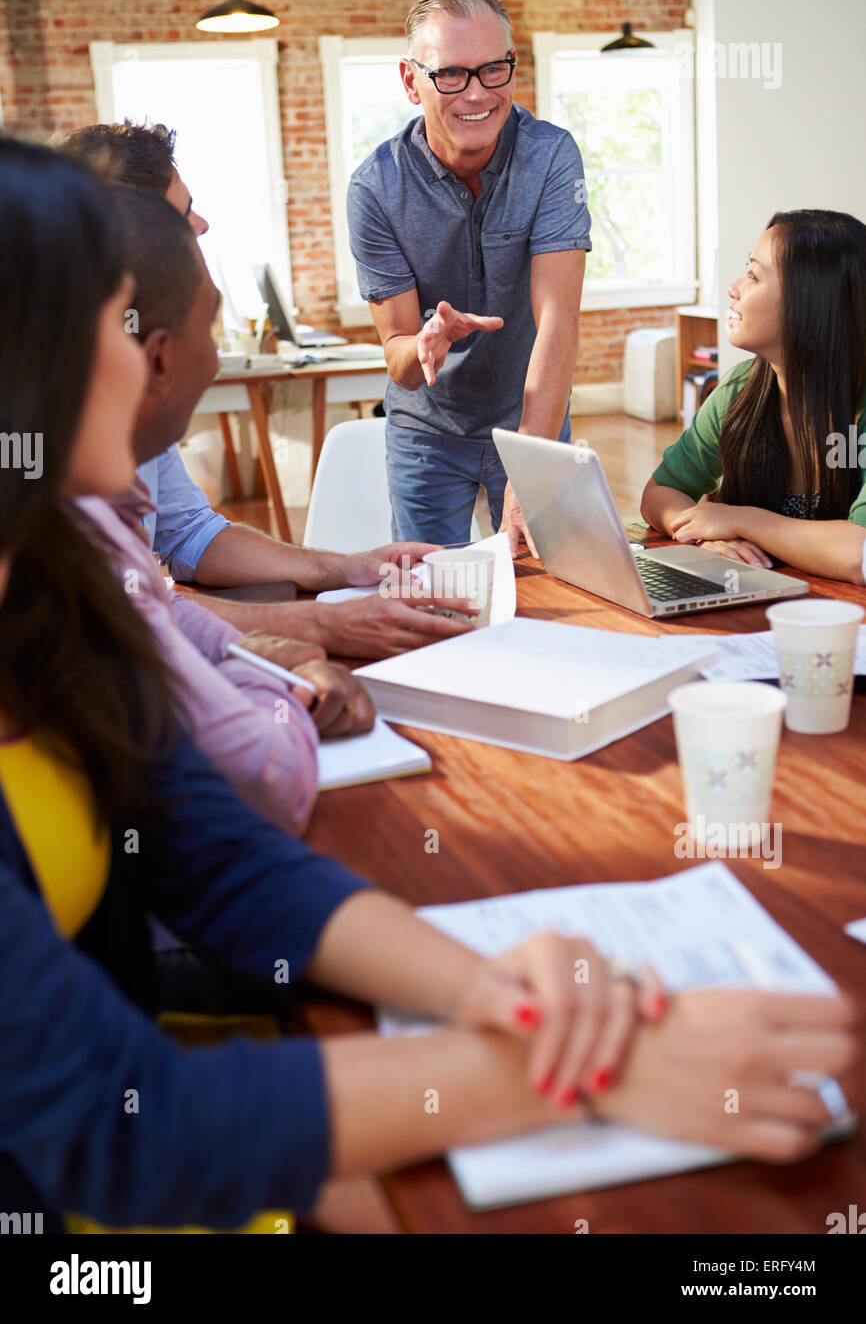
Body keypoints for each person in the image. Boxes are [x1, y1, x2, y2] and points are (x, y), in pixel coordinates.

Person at [1, 137, 855, 1234]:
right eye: (121, 324)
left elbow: (210, 851)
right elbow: (118, 1128)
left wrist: (486, 991)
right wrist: (590, 1066)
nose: (163, 362)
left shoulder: (62, 589)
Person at [61, 119, 477, 658]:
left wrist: (342, 566)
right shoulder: (50, 403)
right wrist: (320, 627)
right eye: (184, 212)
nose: (203, 224)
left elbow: (187, 533)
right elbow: (111, 606)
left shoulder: (133, 372)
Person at [79, 183, 375, 840]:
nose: (217, 360)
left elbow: (158, 597)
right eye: (208, 329)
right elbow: (263, 773)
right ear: (154, 355)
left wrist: (267, 640)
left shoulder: (95, 497)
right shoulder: (70, 529)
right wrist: (281, 678)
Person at [347, 0, 591, 553]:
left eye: (493, 70)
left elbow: (559, 321)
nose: (476, 93)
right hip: (428, 432)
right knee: (430, 600)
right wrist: (425, 344)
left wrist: (533, 464)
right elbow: (399, 360)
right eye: (451, 74)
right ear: (411, 81)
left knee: (555, 595)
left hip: (532, 420)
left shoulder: (551, 156)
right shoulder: (376, 188)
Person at [641, 210, 866, 584]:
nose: (733, 289)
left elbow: (859, 554)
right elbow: (661, 492)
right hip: (764, 606)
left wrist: (738, 518)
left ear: (811, 302)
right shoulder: (739, 392)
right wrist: (705, 537)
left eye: (753, 275)